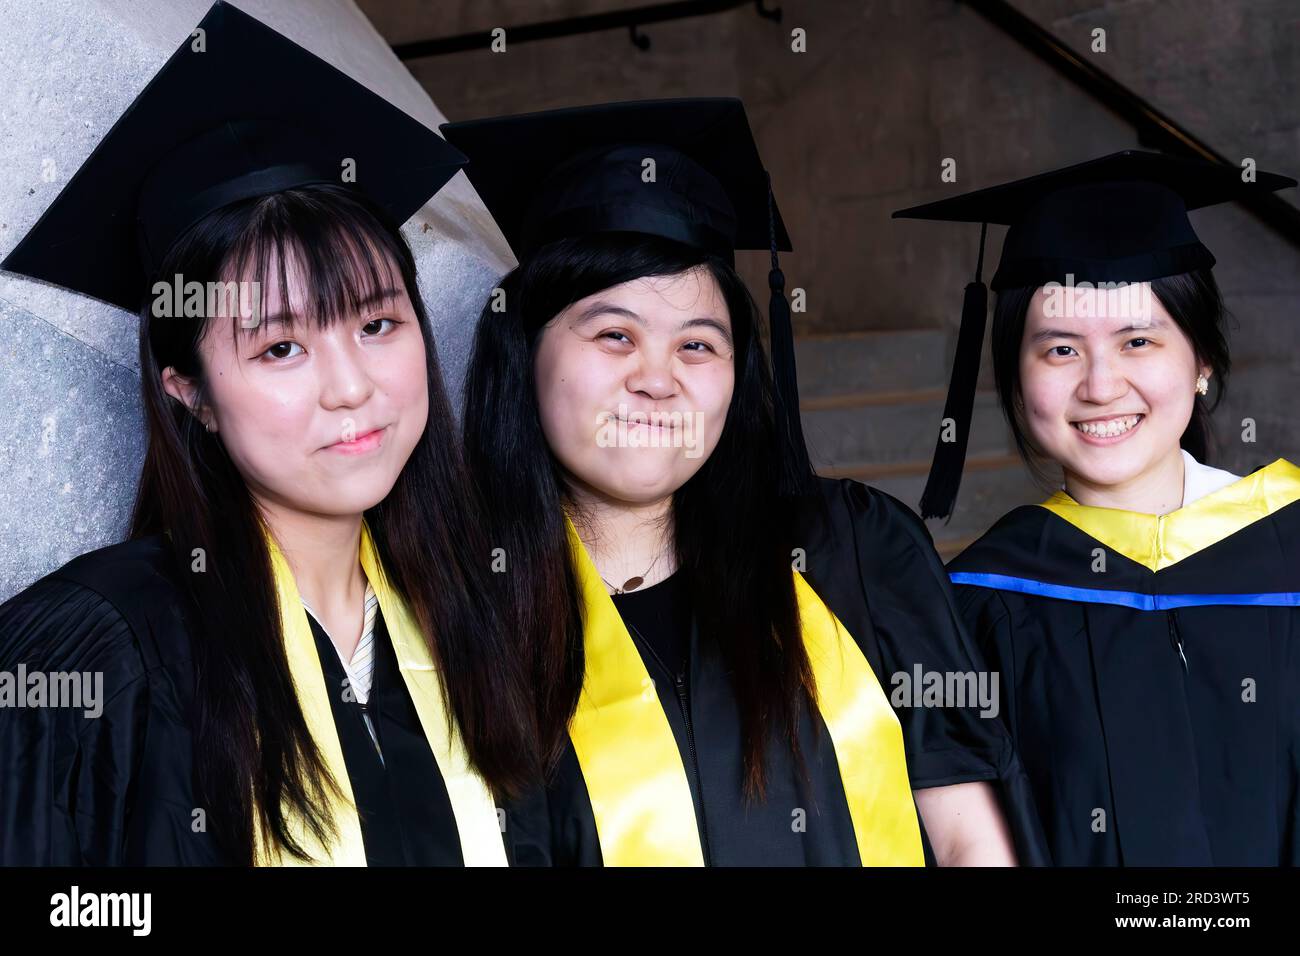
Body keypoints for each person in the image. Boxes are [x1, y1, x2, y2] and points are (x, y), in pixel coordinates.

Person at [0, 1, 540, 866]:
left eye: (376, 325)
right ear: (191, 395)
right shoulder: (105, 652)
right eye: (282, 346)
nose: (352, 387)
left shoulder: (463, 619)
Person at [446, 98, 1046, 866]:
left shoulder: (856, 552)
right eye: (614, 335)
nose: (657, 379)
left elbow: (970, 842)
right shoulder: (465, 614)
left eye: (697, 344)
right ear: (526, 354)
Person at [895, 150, 1300, 864]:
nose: (1101, 386)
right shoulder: (981, 608)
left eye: (1138, 340)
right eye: (1060, 351)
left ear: (1202, 360)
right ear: (1017, 381)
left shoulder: (1288, 546)